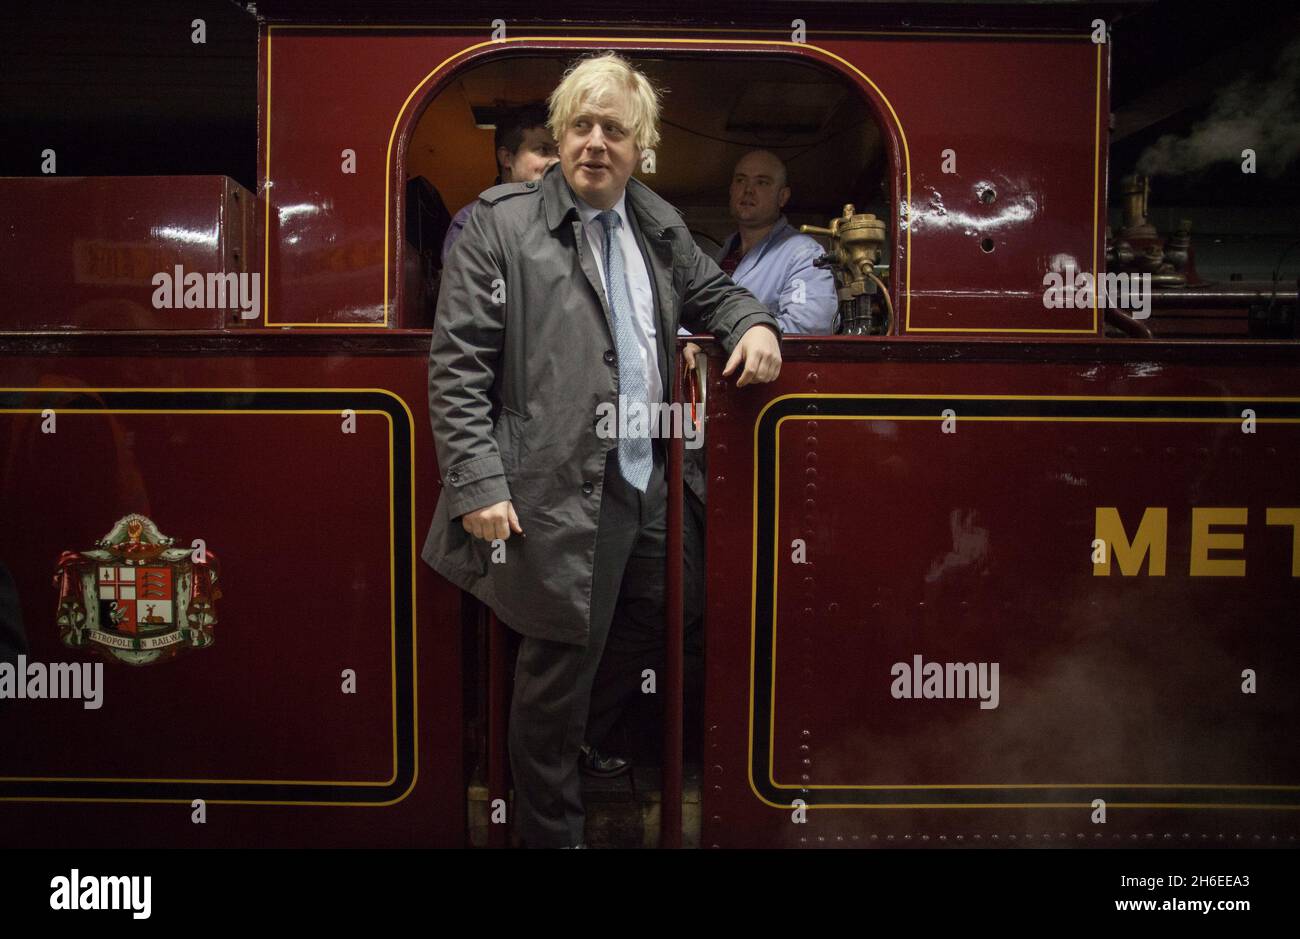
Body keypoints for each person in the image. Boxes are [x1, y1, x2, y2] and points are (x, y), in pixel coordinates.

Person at [422, 51, 782, 848]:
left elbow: (714, 289)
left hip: (639, 483)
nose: (594, 143)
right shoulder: (500, 224)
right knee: (552, 679)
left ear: (640, 143)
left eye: (613, 129)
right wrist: (478, 482)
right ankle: (552, 832)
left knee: (667, 612)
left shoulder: (654, 219)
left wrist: (752, 322)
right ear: (559, 134)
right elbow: (457, 366)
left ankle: (591, 741)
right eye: (580, 126)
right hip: (547, 490)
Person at [585, 151, 838, 772]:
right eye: (740, 180)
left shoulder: (800, 255)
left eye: (763, 183)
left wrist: (741, 329)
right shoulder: (714, 253)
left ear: (785, 197)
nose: (747, 191)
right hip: (680, 452)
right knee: (657, 596)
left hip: (742, 455)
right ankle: (595, 733)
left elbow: (808, 326)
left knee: (688, 598)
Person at [440, 102, 559, 264]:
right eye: (544, 150)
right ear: (507, 158)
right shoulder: (470, 223)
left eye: (560, 152)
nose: (556, 161)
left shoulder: (568, 215)